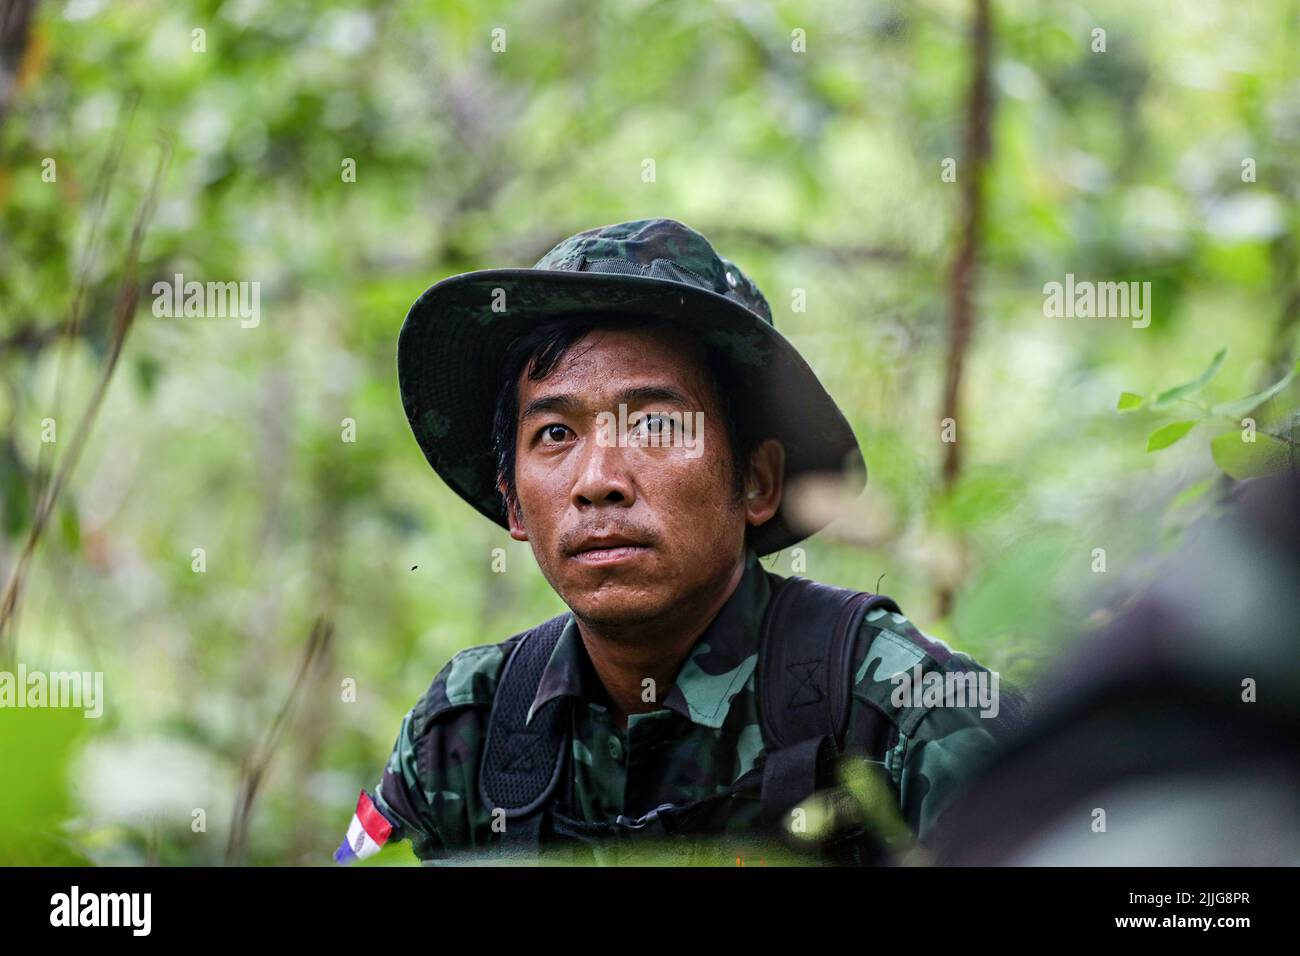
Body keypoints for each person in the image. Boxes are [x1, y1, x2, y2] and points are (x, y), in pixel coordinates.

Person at [336, 218, 1023, 866]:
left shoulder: (898, 709)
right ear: (513, 500)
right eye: (554, 434)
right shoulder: (469, 728)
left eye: (658, 426)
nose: (598, 479)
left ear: (757, 481)